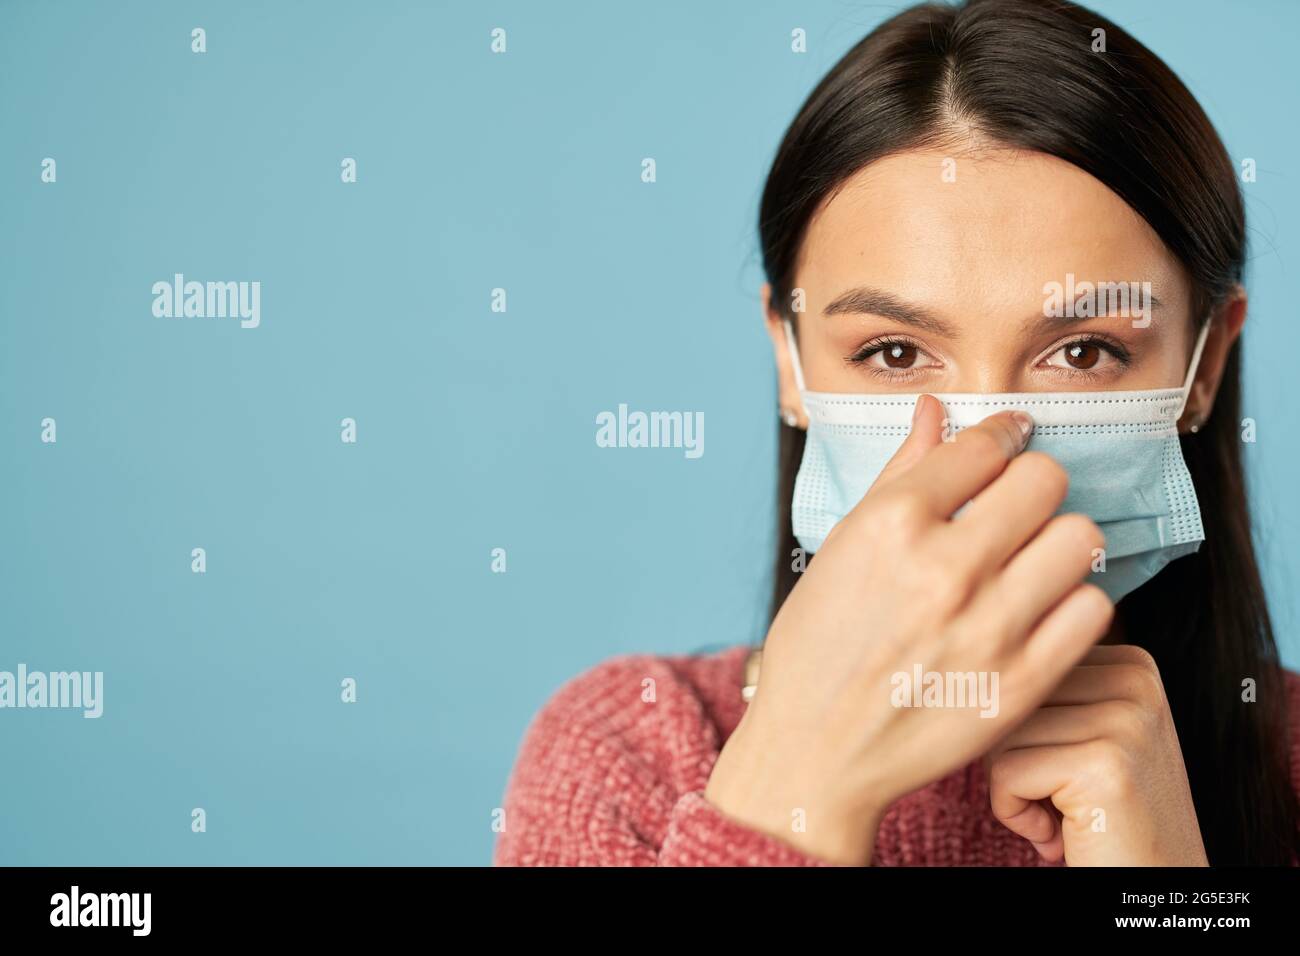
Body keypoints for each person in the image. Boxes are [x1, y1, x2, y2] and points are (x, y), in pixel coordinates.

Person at [494, 0, 1300, 866]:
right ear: (791, 361)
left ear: (1206, 364)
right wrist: (797, 784)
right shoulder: (628, 756)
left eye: (1083, 350)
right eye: (893, 351)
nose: (988, 455)